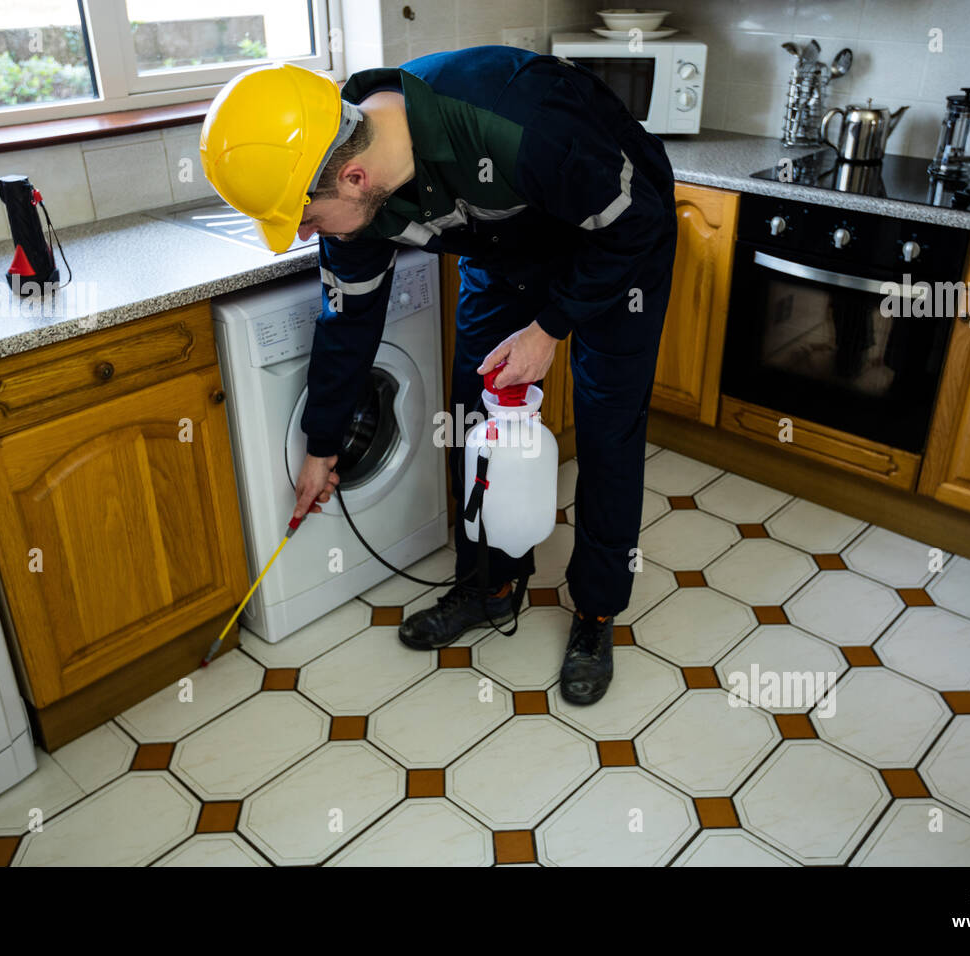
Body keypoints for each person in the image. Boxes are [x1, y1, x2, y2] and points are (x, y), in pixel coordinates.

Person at [200, 45, 677, 705]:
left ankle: (596, 613)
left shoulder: (519, 120)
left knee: (607, 429)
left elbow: (638, 224)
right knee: (473, 418)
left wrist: (550, 328)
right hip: (504, 253)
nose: (308, 235)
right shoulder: (350, 192)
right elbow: (347, 325)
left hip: (616, 242)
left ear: (356, 177)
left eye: (307, 218)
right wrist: (321, 444)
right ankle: (489, 585)